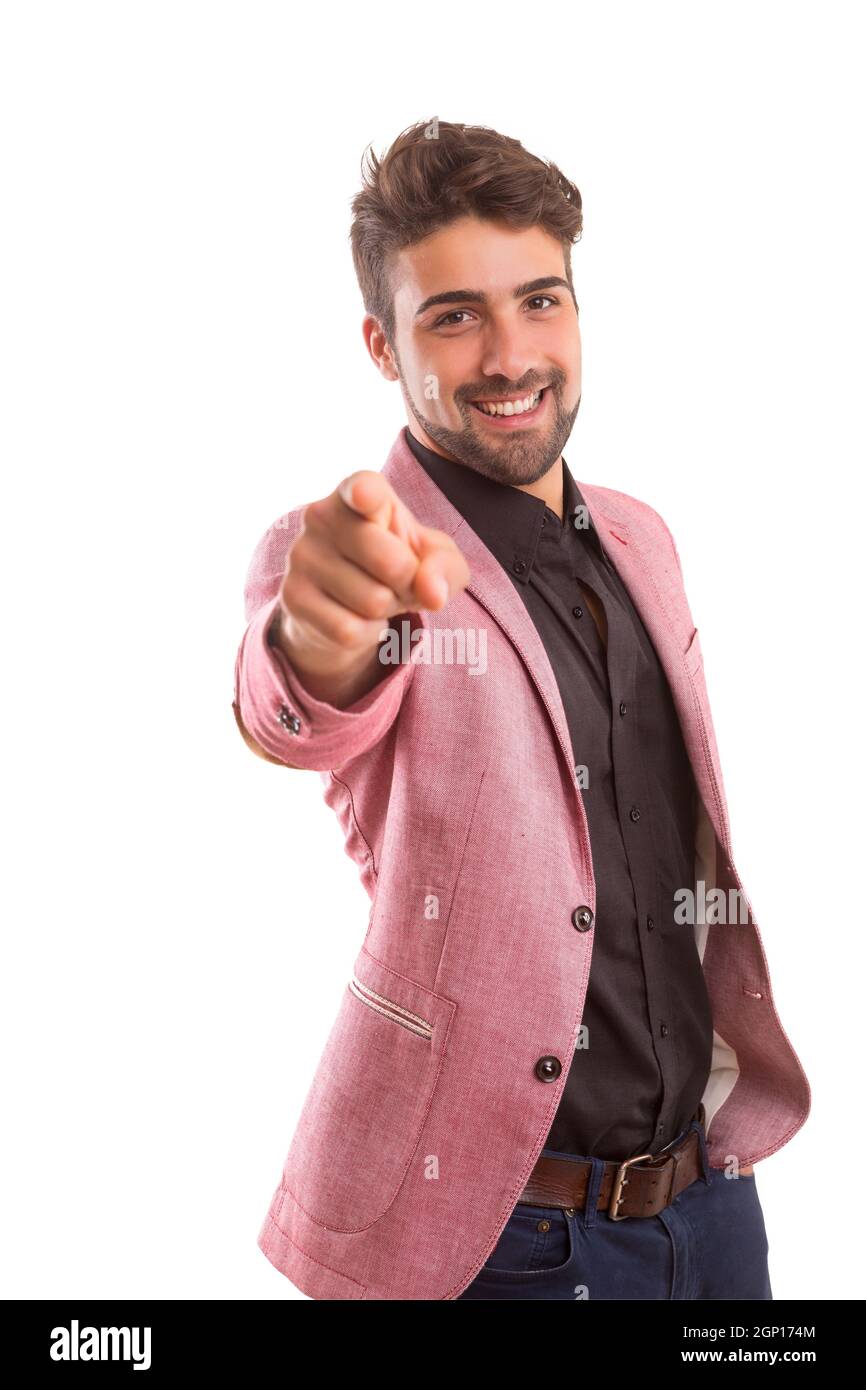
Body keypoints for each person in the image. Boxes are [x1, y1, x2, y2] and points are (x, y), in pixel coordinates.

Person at [232, 119, 810, 1300]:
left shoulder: (641, 536)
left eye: (537, 301)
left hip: (709, 1213)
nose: (509, 354)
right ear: (381, 347)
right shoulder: (352, 554)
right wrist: (320, 635)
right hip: (505, 1241)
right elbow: (296, 700)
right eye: (453, 315)